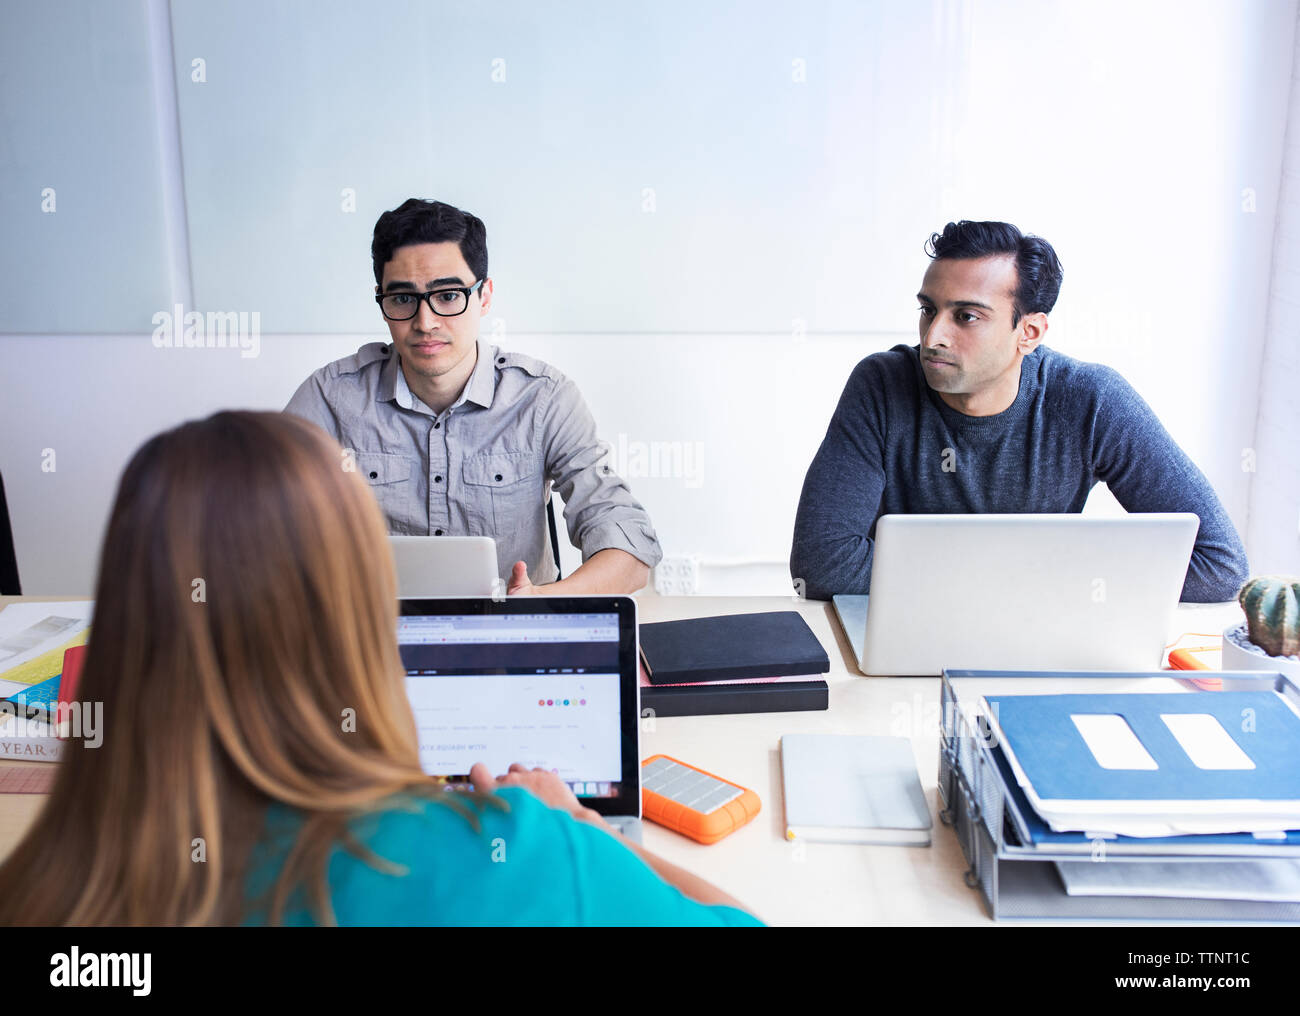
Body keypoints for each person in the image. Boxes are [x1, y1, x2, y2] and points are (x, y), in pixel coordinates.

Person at [0, 412, 760, 927]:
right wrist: (589, 838)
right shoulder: (518, 854)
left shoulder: (43, 885)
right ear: (363, 610)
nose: (427, 315)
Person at [790, 220, 1249, 603]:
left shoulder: (1091, 399)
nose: (932, 338)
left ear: (1028, 332)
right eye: (928, 310)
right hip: (909, 638)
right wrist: (1037, 581)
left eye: (966, 316)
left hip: (1034, 637)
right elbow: (822, 563)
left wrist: (1008, 588)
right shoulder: (882, 384)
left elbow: (1219, 563)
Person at [285, 198, 659, 595]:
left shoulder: (544, 399)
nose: (425, 323)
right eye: (403, 299)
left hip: (513, 634)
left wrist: (540, 603)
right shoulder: (330, 396)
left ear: (484, 296)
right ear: (382, 301)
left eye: (447, 296)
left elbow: (630, 550)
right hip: (372, 638)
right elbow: (255, 527)